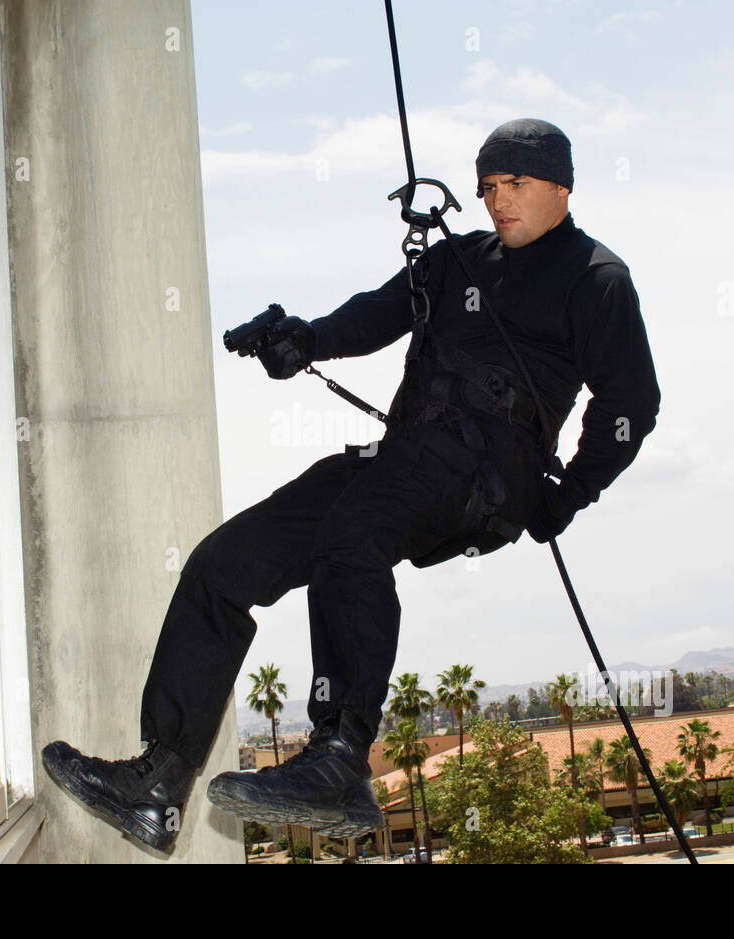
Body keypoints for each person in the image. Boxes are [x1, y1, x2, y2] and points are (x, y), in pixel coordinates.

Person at [41, 118, 661, 854]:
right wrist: (303, 339)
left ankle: (339, 755)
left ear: (562, 184)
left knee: (352, 534)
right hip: (401, 458)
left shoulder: (596, 279)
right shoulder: (456, 259)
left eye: (515, 184)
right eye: (488, 187)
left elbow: (631, 406)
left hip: (484, 473)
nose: (499, 200)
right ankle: (160, 782)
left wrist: (568, 494)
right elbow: (377, 312)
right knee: (224, 564)